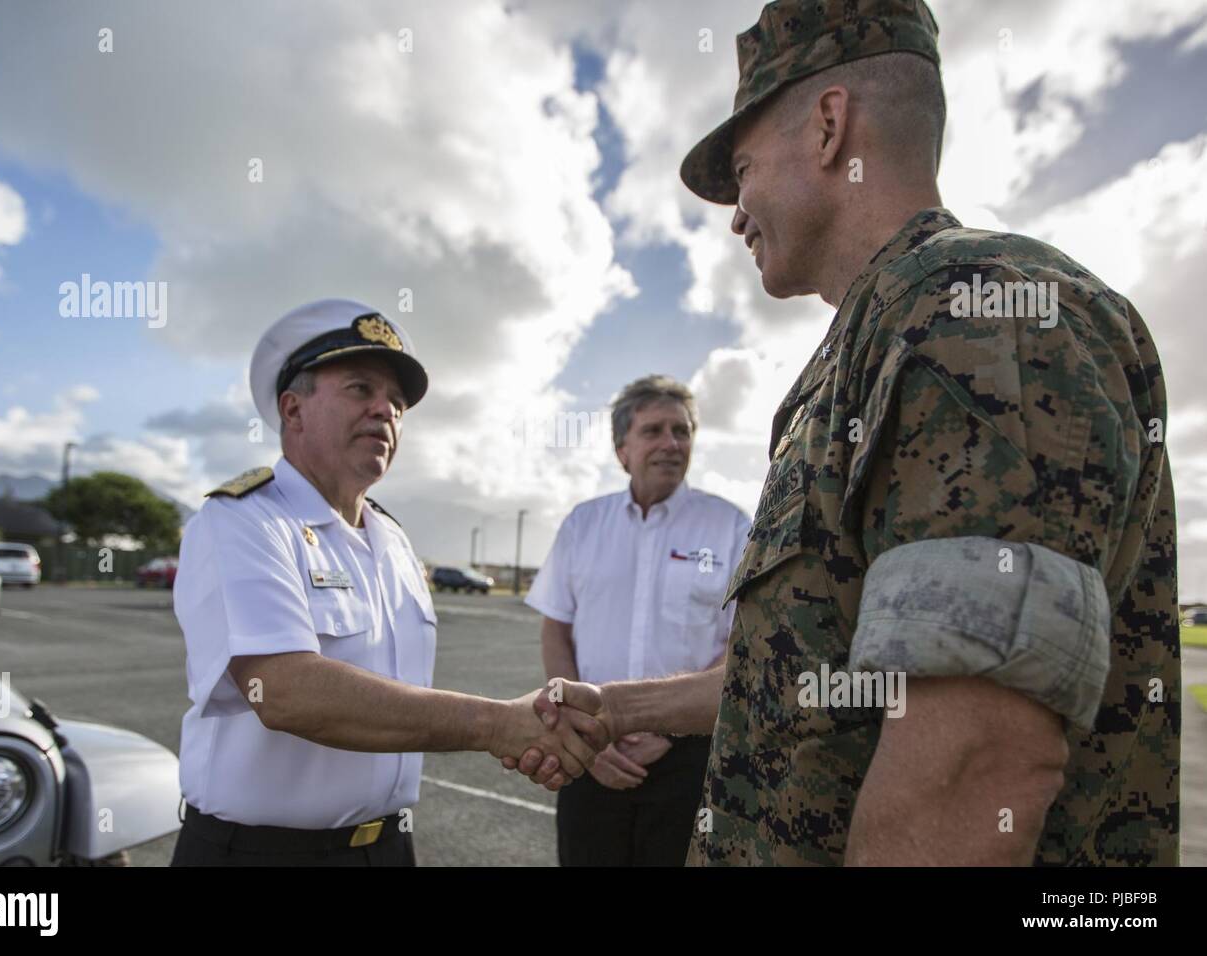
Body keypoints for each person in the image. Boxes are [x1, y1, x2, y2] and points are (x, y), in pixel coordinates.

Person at [517, 0, 1181, 867]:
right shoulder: (872, 342)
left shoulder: (975, 317)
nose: (736, 214)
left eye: (744, 170)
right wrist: (616, 707)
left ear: (829, 127)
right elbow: (805, 677)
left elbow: (974, 770)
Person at [171, 299, 605, 867]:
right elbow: (283, 692)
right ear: (292, 409)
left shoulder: (394, 541)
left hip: (387, 848)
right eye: (360, 389)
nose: (386, 411)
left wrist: (530, 730)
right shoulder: (242, 521)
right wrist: (497, 725)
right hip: (262, 853)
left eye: (397, 404)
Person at [523, 375, 750, 865]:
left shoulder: (732, 527)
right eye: (654, 431)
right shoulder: (583, 525)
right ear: (621, 448)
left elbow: (743, 642)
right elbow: (556, 627)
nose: (671, 443)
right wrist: (580, 728)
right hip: (588, 751)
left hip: (689, 756)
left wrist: (667, 724)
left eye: (682, 430)